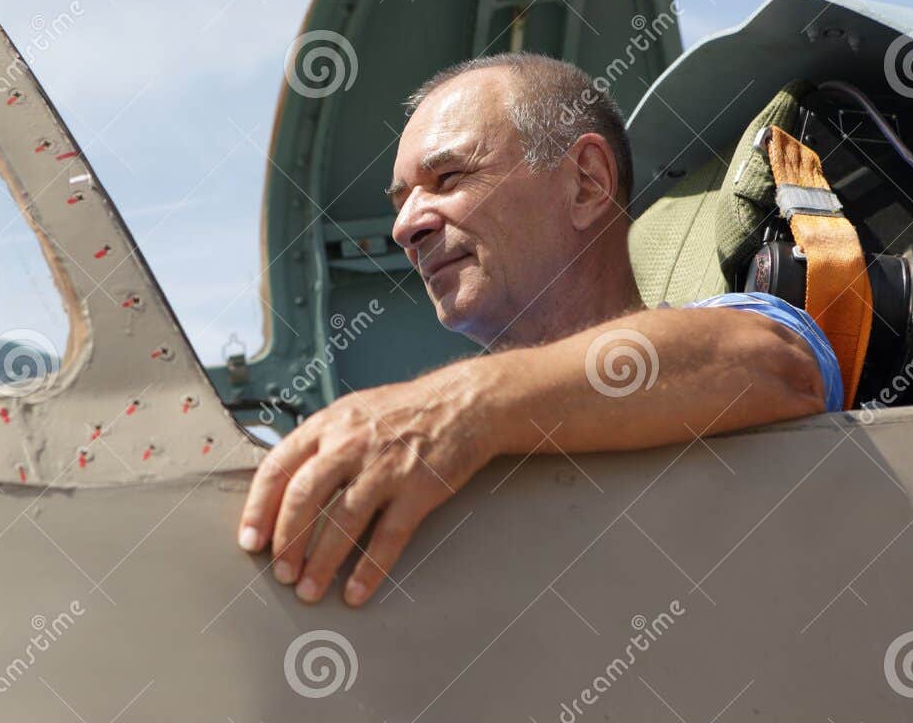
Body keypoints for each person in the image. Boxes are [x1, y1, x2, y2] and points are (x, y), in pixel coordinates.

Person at [236, 54, 841, 607]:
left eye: (449, 179)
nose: (405, 227)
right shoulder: (428, 455)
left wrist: (466, 407)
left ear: (585, 182)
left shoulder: (732, 339)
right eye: (401, 201)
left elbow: (779, 363)